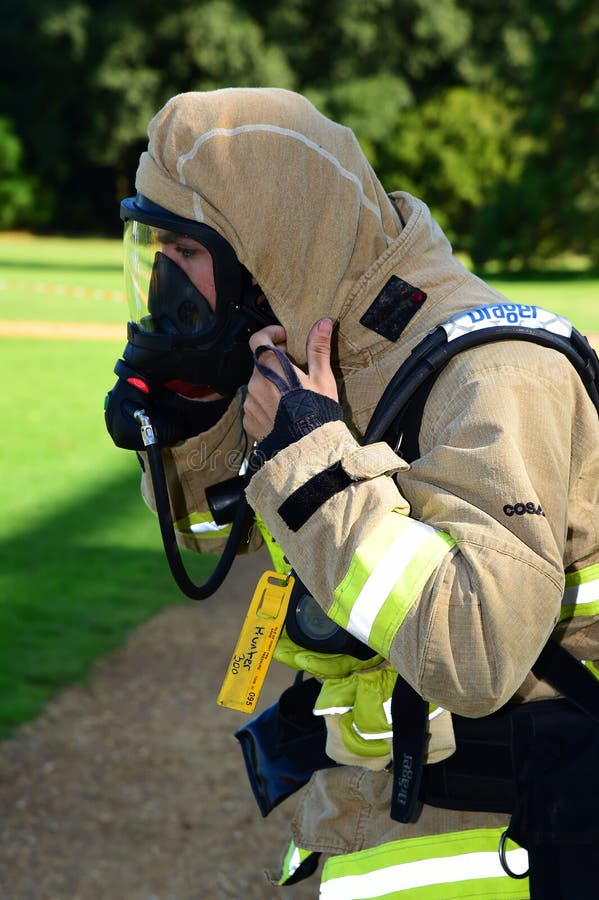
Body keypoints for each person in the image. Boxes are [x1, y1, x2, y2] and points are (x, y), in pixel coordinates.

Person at [105, 87, 599, 898]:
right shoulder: (316, 349)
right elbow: (199, 536)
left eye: (184, 250)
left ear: (268, 246)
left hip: (507, 840)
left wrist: (309, 462)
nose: (165, 275)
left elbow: (476, 654)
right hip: (386, 815)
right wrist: (191, 411)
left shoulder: (498, 371)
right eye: (151, 247)